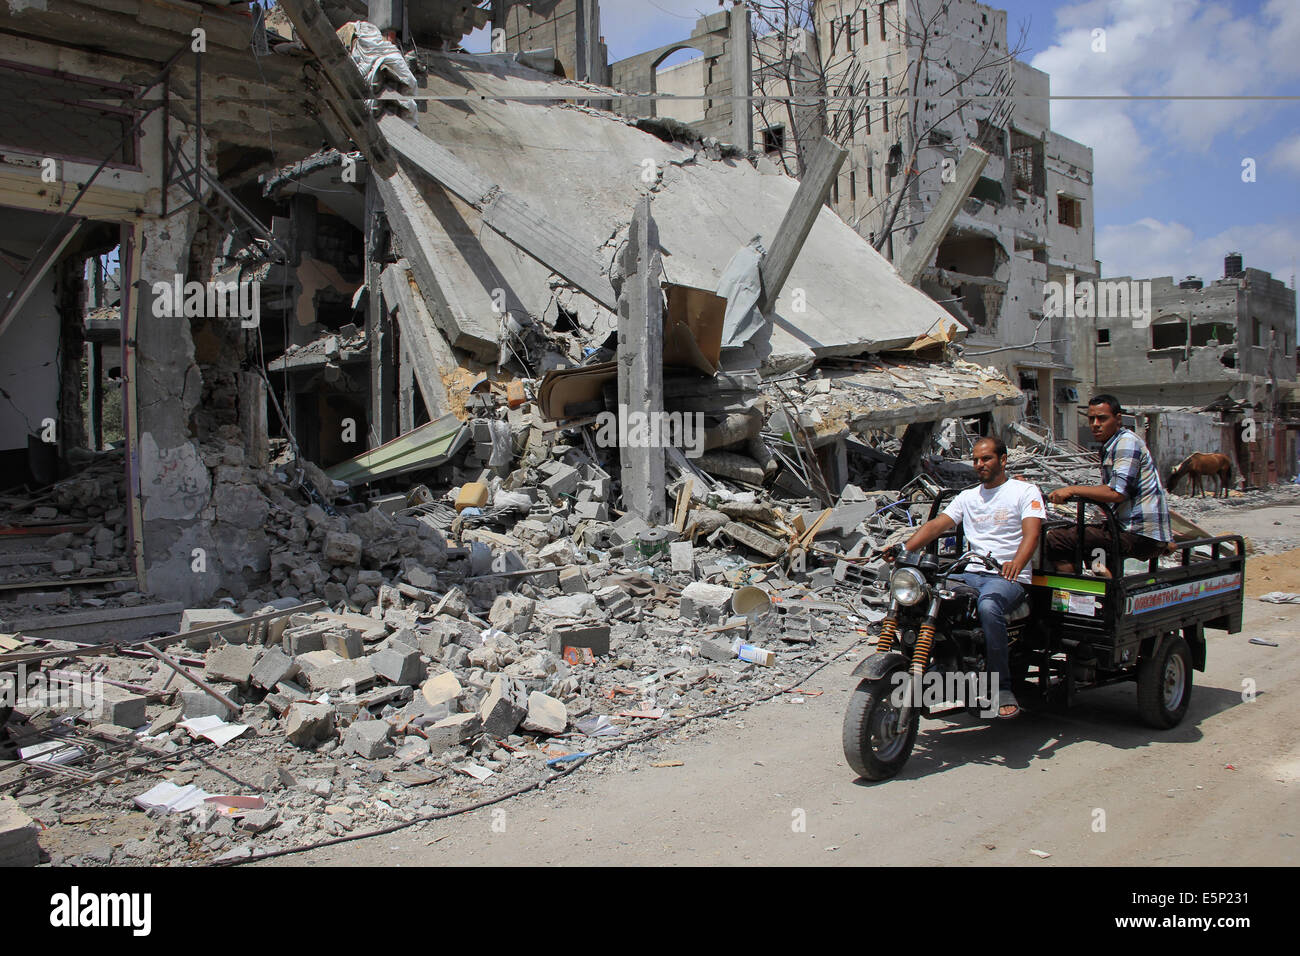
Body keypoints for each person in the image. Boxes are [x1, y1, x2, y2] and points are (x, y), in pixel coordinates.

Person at [900, 436, 1043, 719]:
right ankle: (934, 668)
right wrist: (904, 549)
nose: (980, 464)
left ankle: (1001, 687)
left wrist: (1016, 563)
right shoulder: (968, 496)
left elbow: (1032, 533)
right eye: (976, 459)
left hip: (1008, 578)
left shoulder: (1024, 491)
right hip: (971, 574)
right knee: (922, 595)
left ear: (1003, 460)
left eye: (986, 458)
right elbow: (937, 525)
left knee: (989, 607)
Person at [1044, 394, 1172, 573]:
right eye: (1091, 419)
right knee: (1086, 540)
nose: (1095, 424)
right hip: (1131, 529)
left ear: (1118, 419)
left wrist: (1072, 489)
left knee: (1055, 539)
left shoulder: (1126, 442)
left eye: (1102, 418)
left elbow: (1116, 493)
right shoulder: (1112, 445)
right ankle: (1102, 584)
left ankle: (1073, 596)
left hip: (1137, 533)